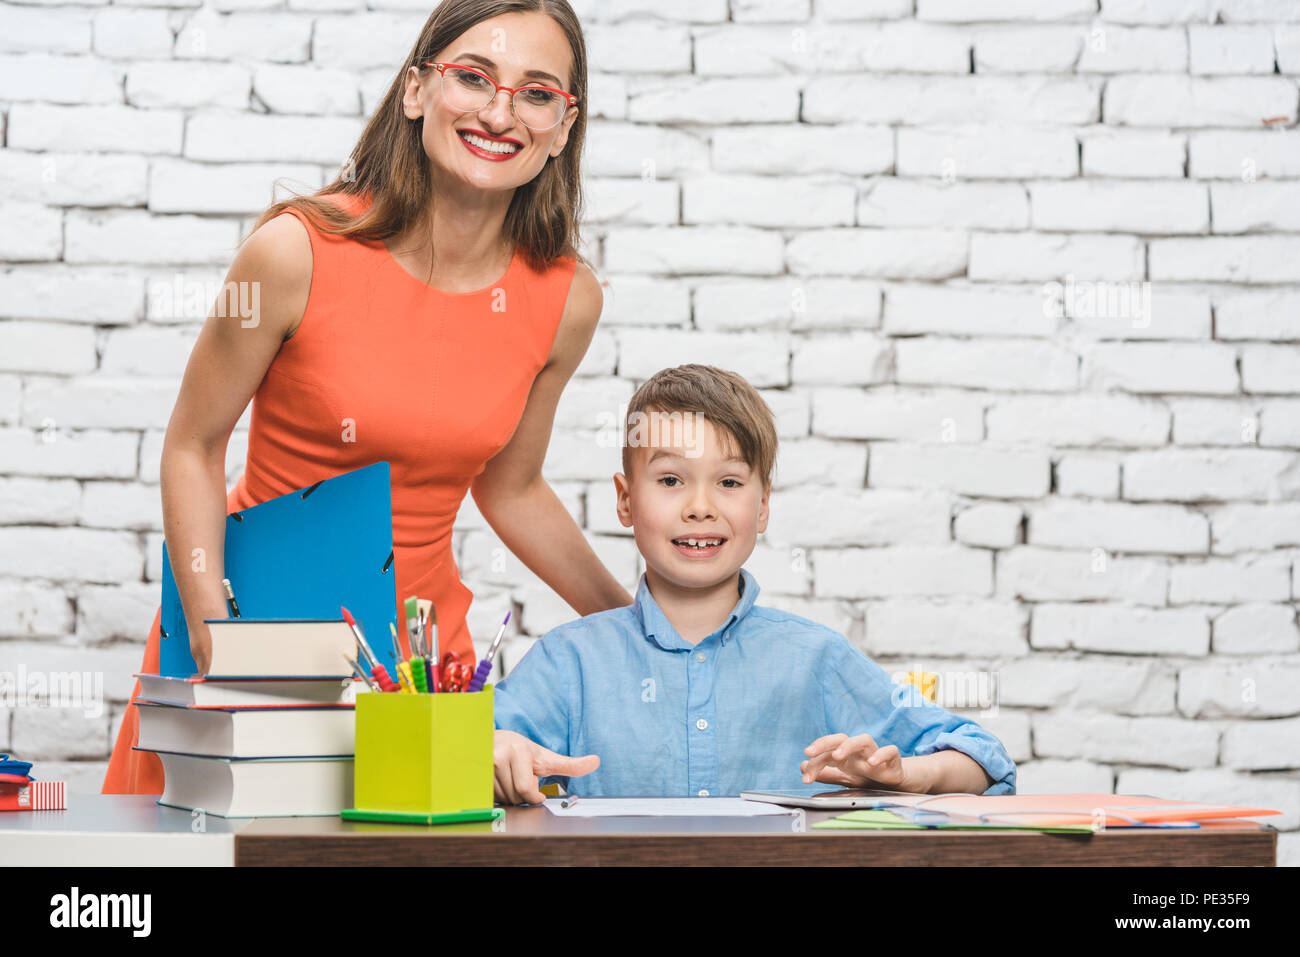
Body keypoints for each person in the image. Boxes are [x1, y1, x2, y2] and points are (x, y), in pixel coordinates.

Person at [104, 0, 632, 795]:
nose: (500, 112)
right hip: (264, 627)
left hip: (423, 665)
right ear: (417, 89)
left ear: (563, 125)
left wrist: (633, 625)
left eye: (536, 92)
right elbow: (193, 442)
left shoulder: (565, 298)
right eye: (474, 77)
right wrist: (218, 633)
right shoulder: (292, 252)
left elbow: (510, 484)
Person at [491, 364, 1017, 803]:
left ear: (762, 505)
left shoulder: (816, 659)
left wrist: (908, 776)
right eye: (671, 480)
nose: (700, 507)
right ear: (625, 500)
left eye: (729, 482)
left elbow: (983, 762)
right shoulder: (568, 663)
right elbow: (449, 760)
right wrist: (492, 753)